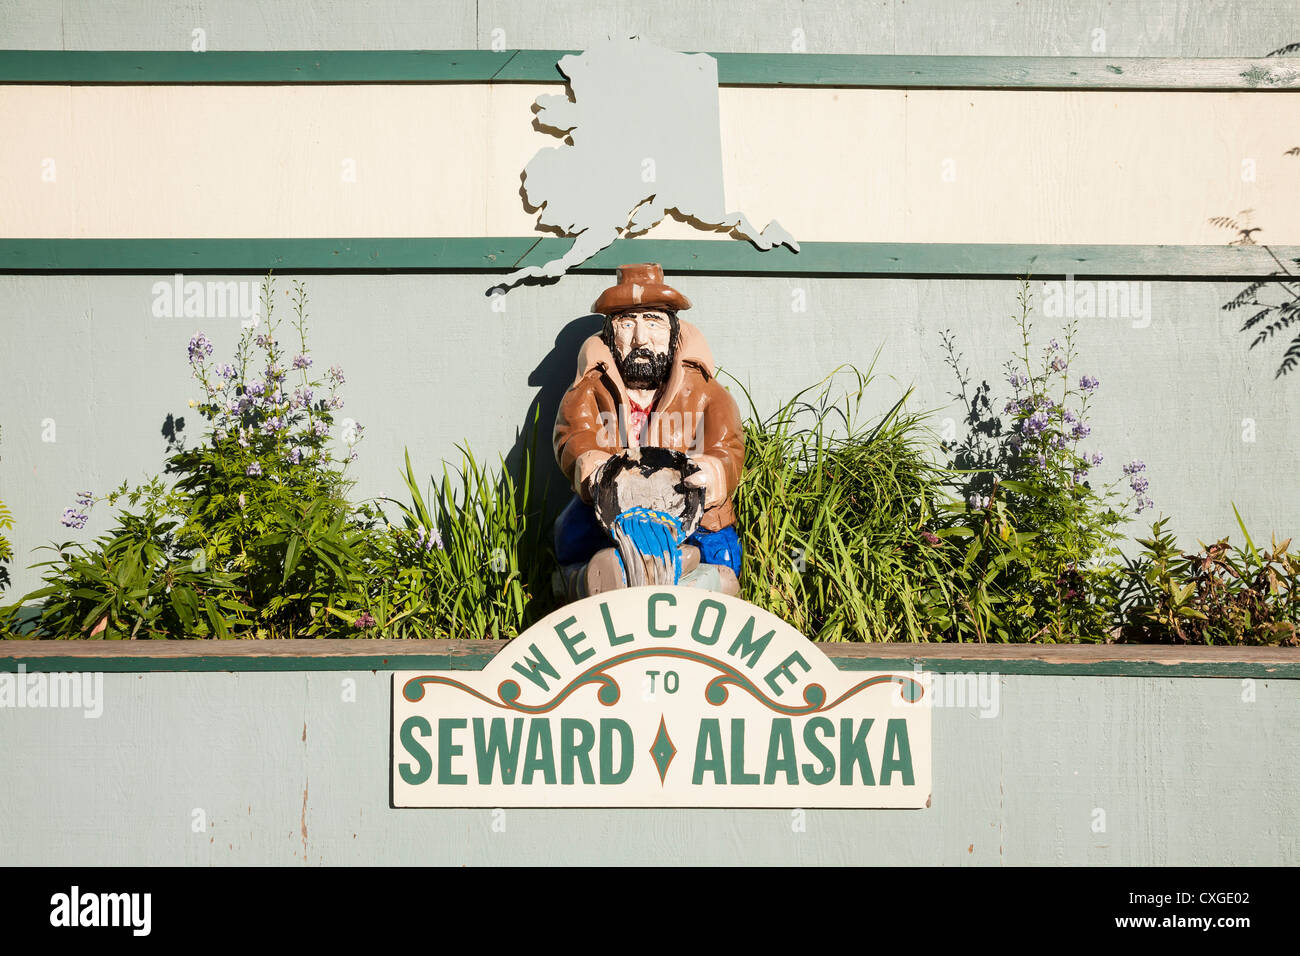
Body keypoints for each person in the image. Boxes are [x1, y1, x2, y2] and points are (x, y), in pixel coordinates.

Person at [553, 263, 745, 599]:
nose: (640, 338)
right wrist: (591, 463)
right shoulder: (589, 389)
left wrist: (711, 472)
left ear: (674, 331)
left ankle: (686, 573)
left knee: (722, 552)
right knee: (572, 536)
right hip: (610, 511)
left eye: (653, 322)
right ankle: (592, 578)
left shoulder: (705, 392)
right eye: (627, 323)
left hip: (690, 510)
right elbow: (572, 435)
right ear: (612, 334)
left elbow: (727, 447)